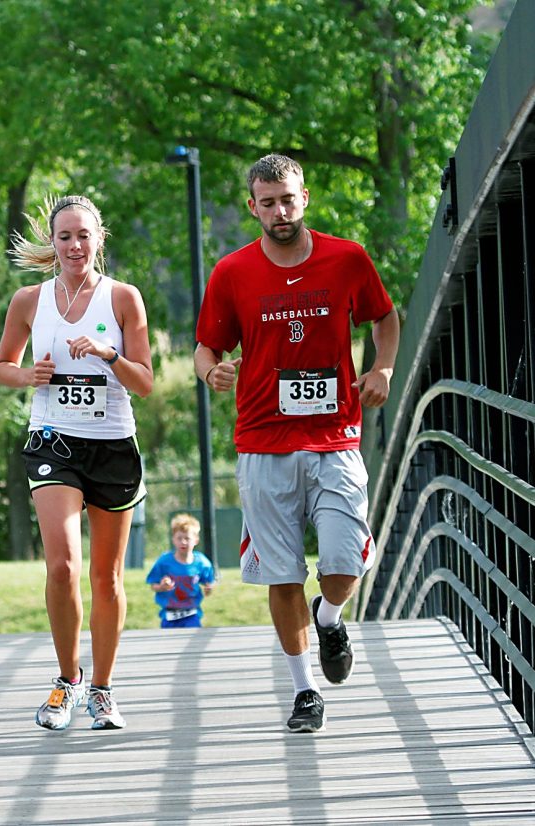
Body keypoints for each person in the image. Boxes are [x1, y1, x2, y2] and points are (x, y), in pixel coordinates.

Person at [194, 154, 399, 733]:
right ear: (252, 206)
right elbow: (205, 347)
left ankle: (329, 616)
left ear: (304, 198)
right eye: (267, 201)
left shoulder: (347, 258)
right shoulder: (232, 273)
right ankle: (305, 690)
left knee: (342, 557)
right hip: (263, 441)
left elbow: (384, 318)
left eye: (287, 199)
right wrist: (210, 371)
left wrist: (382, 368)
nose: (279, 211)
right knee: (282, 573)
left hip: (335, 435)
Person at [0, 194, 153, 732]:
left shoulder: (124, 299)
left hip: (112, 445)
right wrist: (27, 376)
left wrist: (109, 356)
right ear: (53, 243)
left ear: (99, 238)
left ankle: (103, 690)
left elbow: (146, 384)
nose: (74, 245)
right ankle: (68, 680)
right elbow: (2, 367)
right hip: (52, 440)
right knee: (62, 566)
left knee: (106, 577)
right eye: (64, 236)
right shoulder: (28, 300)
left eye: (83, 235)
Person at [146, 513, 216, 628]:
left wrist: (209, 589)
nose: (183, 542)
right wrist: (162, 587)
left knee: (193, 644)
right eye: (179, 538)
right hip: (169, 615)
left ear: (196, 540)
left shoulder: (202, 563)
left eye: (187, 538)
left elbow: (209, 583)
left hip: (192, 615)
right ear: (173, 539)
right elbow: (153, 585)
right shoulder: (164, 562)